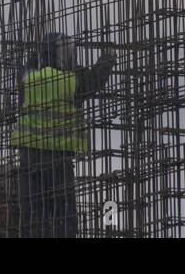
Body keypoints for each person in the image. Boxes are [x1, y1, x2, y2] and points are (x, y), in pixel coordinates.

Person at [11, 32, 115, 238]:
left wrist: (37, 53)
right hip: (57, 158)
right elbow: (93, 81)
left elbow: (27, 67)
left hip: (28, 157)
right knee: (63, 214)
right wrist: (107, 58)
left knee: (32, 215)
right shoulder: (70, 81)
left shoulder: (26, 79)